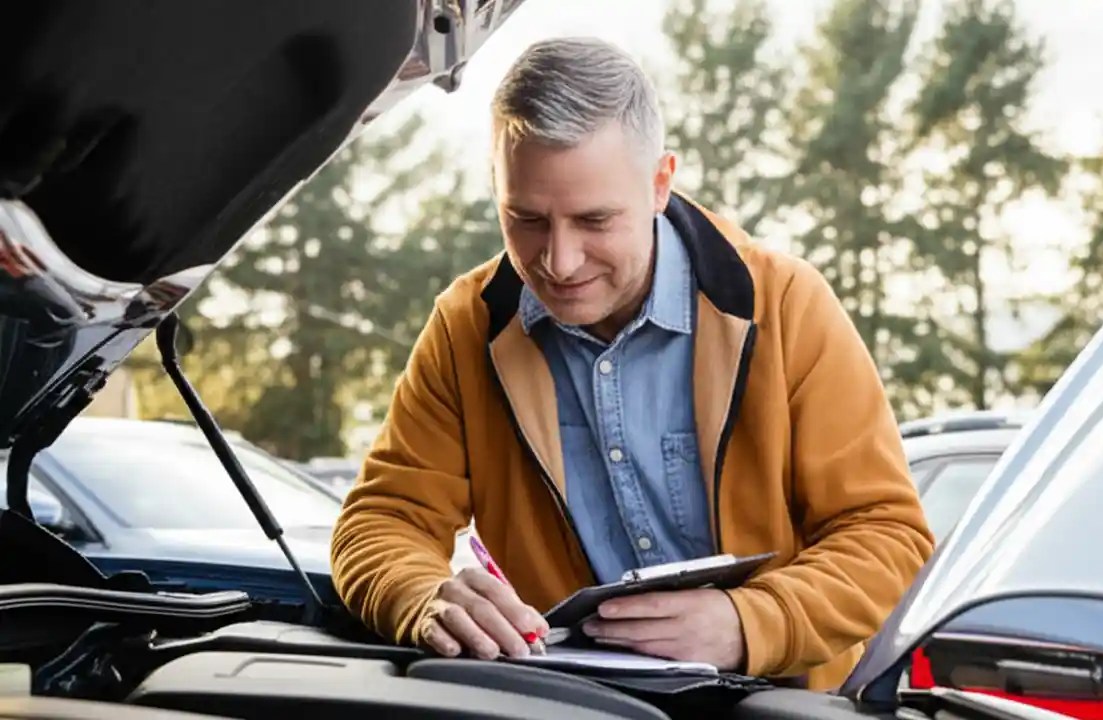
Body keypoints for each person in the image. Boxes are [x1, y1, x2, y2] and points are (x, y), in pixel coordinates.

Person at [330, 36, 934, 691]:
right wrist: (422, 596)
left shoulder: (787, 307)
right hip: (577, 707)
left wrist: (749, 621)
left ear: (659, 184)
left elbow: (887, 537)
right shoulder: (466, 328)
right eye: (526, 219)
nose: (559, 262)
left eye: (594, 220)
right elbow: (382, 522)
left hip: (780, 705)